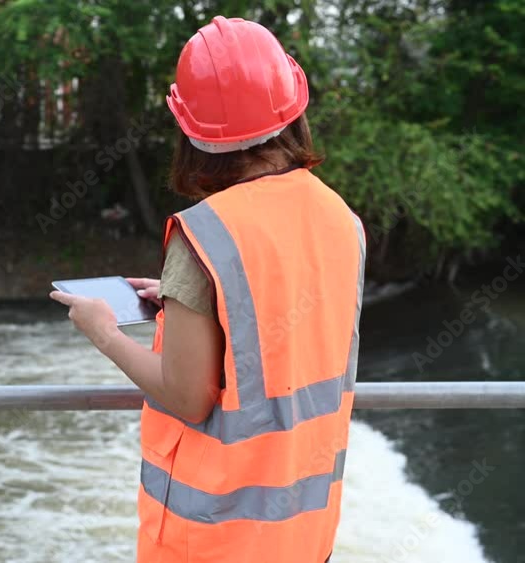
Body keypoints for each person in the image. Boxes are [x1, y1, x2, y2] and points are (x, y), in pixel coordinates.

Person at [50, 16, 365, 563]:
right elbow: (282, 325)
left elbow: (187, 395)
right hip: (304, 536)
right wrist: (183, 298)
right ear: (293, 107)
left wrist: (104, 332)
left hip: (215, 542)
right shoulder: (340, 218)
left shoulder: (207, 233)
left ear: (191, 130)